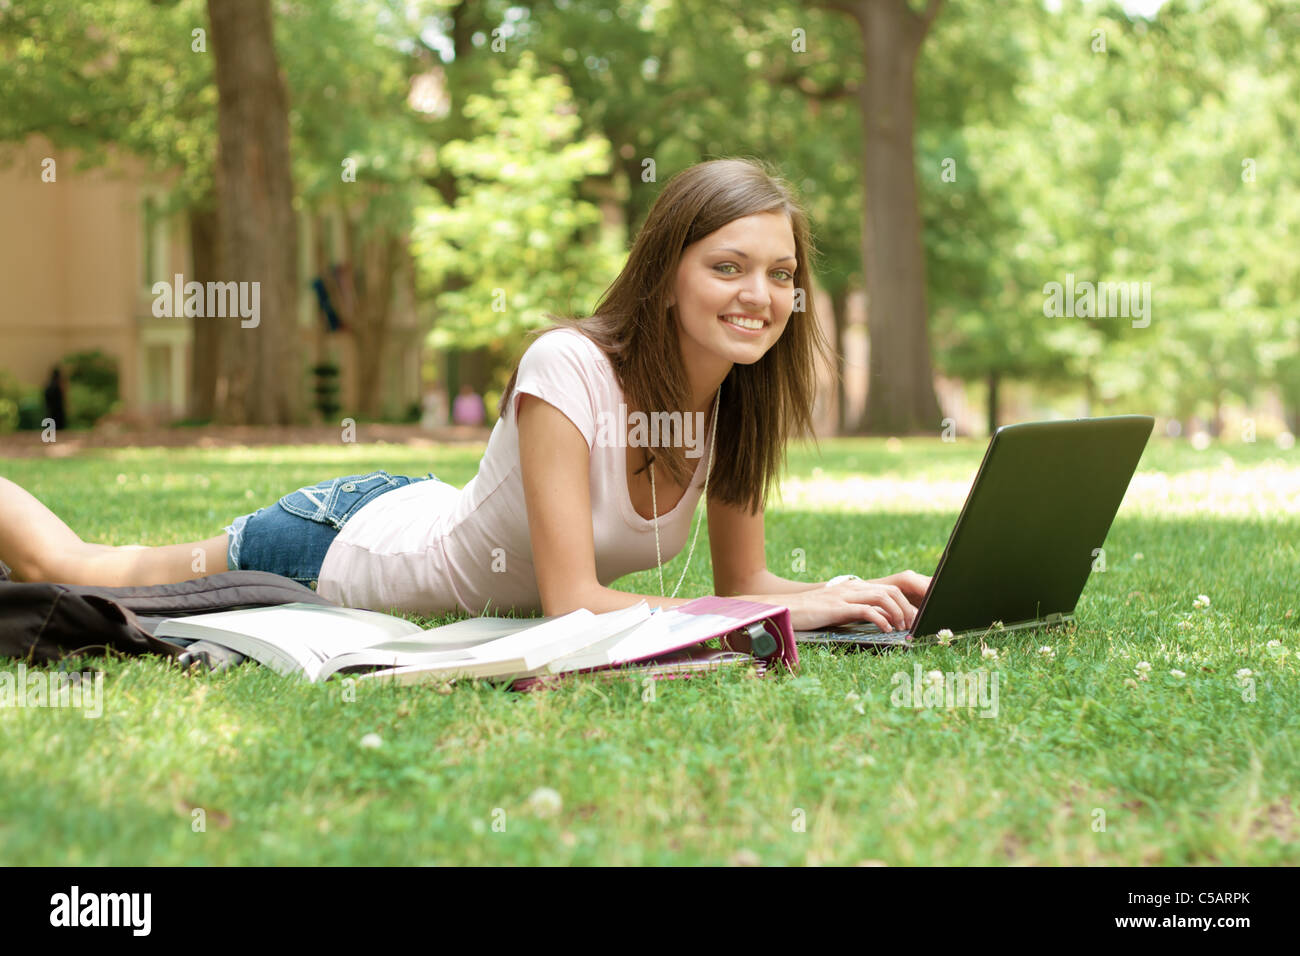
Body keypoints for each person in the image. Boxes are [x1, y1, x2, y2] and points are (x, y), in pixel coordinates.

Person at [0, 158, 928, 632]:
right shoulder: (567, 366)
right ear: (664, 274)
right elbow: (573, 603)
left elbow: (745, 586)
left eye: (777, 273)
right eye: (727, 266)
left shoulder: (735, 402)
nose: (757, 296)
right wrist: (768, 618)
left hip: (422, 508)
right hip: (333, 545)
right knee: (80, 568)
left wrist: (848, 594)